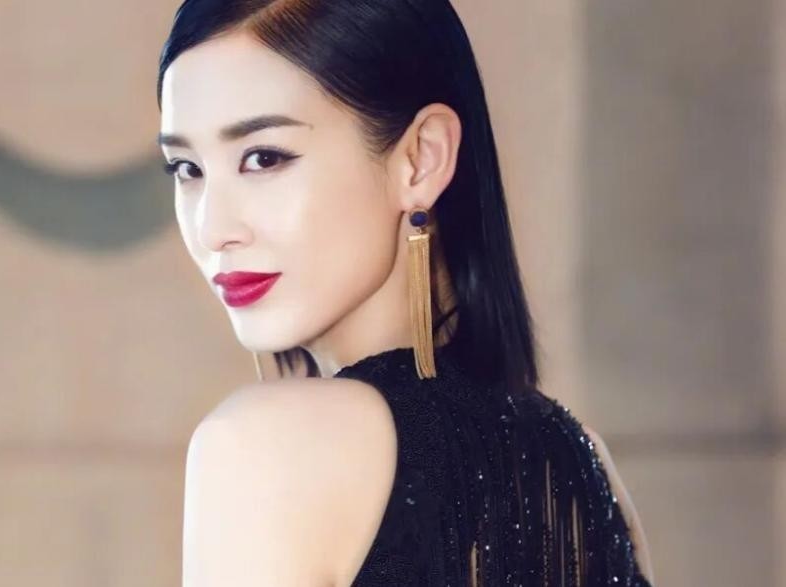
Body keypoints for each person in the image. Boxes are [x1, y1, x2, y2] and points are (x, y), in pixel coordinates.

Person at [155, 1, 654, 585]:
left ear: (421, 159)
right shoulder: (584, 466)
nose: (212, 228)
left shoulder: (265, 446)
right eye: (186, 169)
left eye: (263, 158)